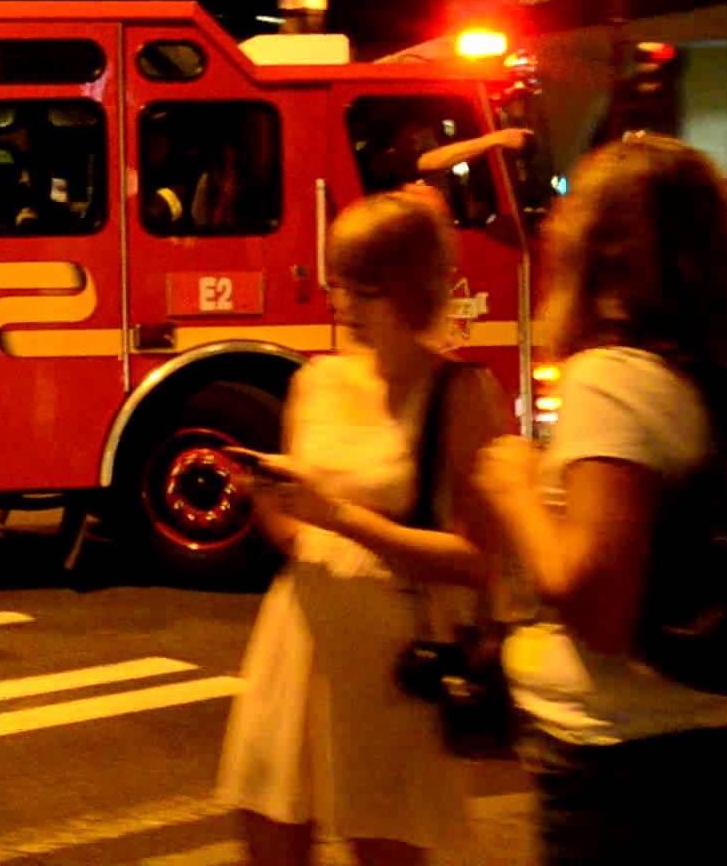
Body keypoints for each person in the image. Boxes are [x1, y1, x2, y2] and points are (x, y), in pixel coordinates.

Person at [472, 133, 727, 862]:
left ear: (599, 249)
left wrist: (516, 486)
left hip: (635, 779)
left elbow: (598, 609)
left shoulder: (616, 381)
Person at [215, 187, 508, 866]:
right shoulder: (316, 381)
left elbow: (477, 561)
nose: (342, 305)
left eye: (363, 289)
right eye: (337, 284)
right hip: (297, 636)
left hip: (394, 658)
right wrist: (268, 500)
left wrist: (339, 515)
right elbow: (298, 533)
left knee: (385, 844)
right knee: (269, 832)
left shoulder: (461, 394)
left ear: (412, 288)